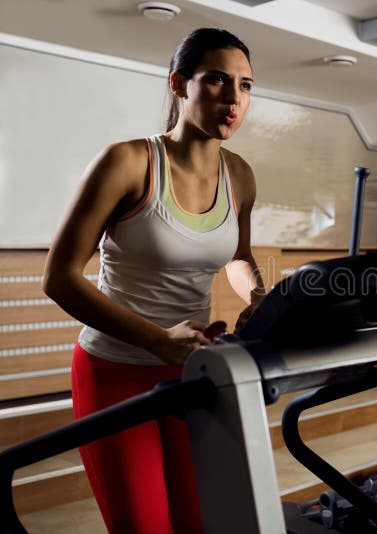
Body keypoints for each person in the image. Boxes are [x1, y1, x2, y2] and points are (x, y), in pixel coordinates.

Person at [42, 28, 264, 533]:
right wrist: (157, 340)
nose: (234, 98)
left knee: (198, 521)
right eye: (216, 80)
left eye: (246, 85)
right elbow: (58, 277)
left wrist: (259, 297)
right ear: (179, 84)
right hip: (115, 369)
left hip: (192, 371)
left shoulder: (242, 176)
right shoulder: (127, 162)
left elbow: (240, 257)